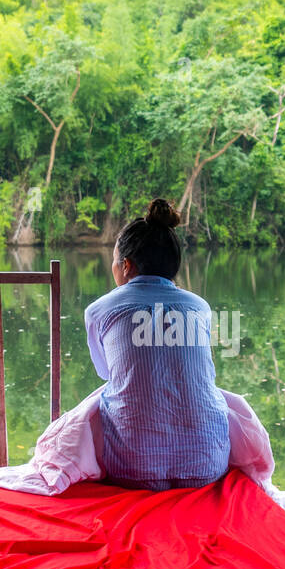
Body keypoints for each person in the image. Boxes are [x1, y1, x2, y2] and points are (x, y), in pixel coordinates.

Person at [84, 198, 230, 491]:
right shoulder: (199, 307)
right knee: (220, 397)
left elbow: (106, 374)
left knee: (99, 401)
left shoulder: (99, 310)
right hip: (209, 467)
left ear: (125, 266)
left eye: (114, 261)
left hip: (131, 471)